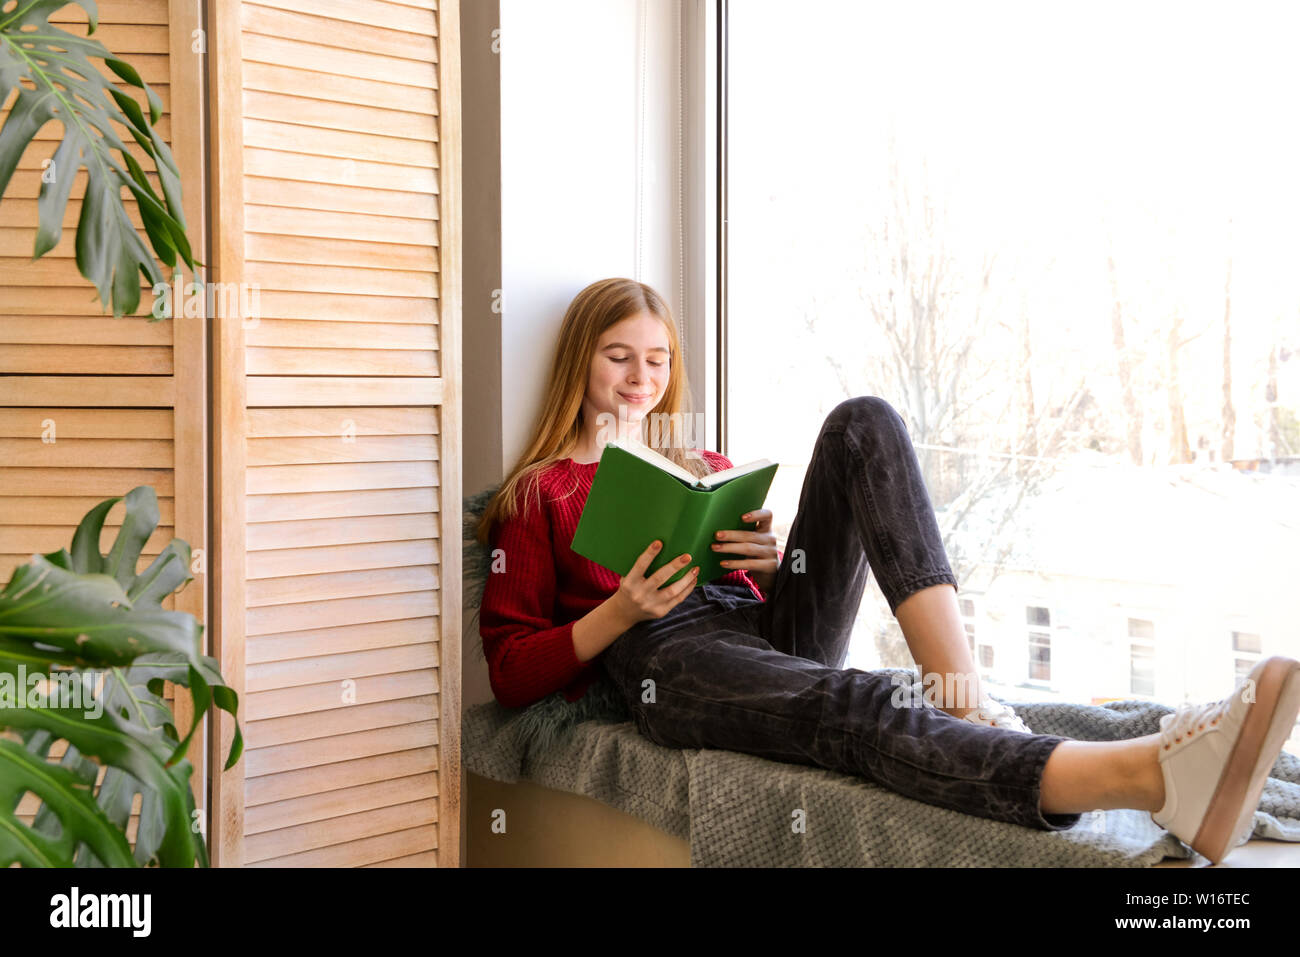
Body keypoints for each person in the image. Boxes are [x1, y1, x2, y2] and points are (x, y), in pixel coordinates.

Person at [475, 276, 1300, 865]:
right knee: (867, 699)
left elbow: (762, 609)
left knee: (861, 424)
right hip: (664, 657)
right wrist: (619, 610)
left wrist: (763, 560)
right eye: (619, 357)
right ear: (580, 362)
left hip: (755, 627)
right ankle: (1147, 776)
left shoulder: (699, 459)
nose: (640, 379)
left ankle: (964, 694)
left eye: (656, 360)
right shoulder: (538, 492)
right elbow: (511, 671)